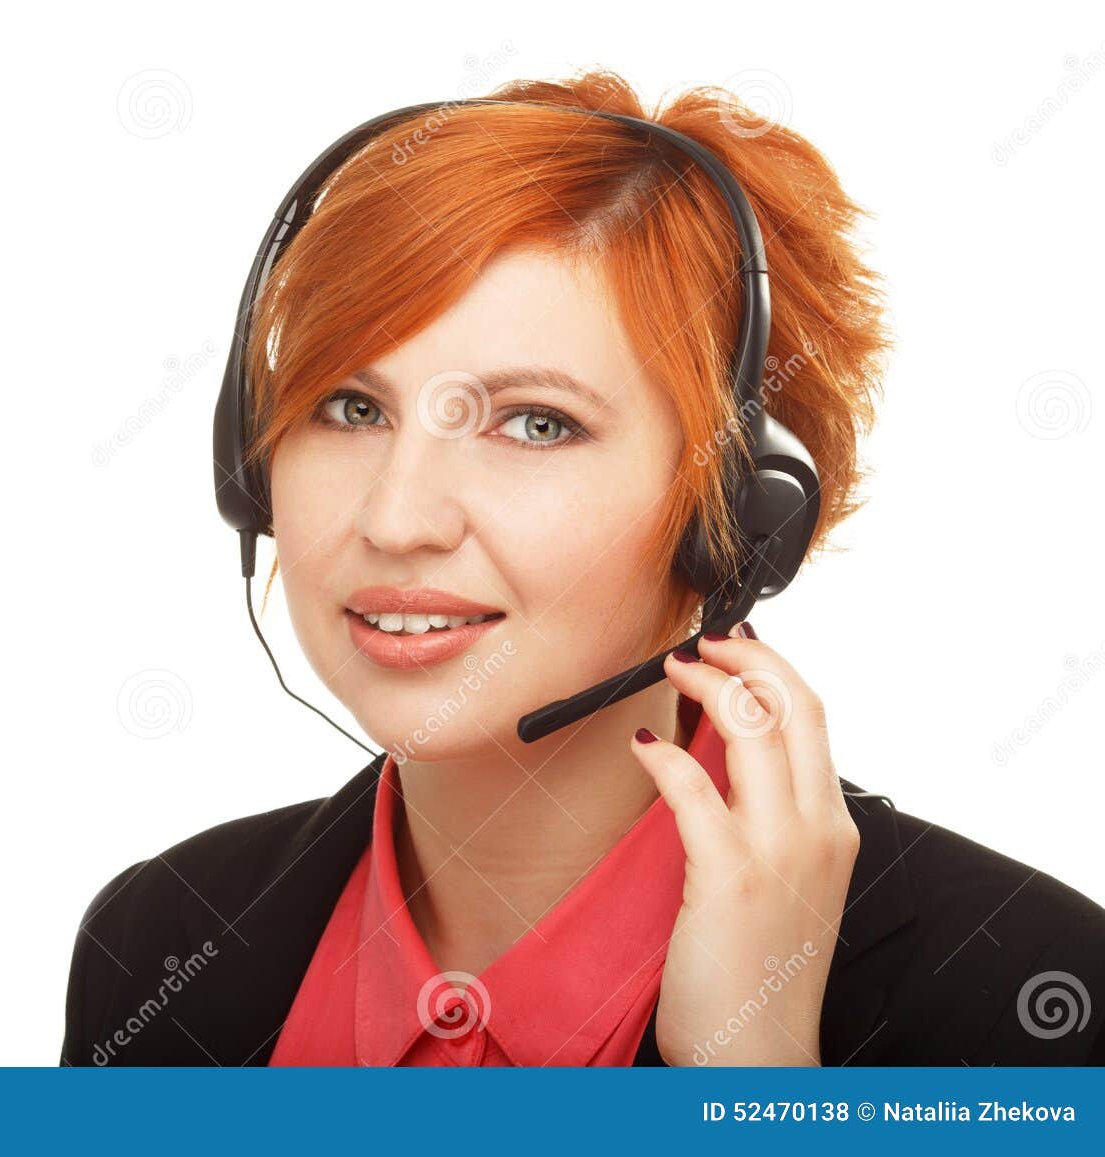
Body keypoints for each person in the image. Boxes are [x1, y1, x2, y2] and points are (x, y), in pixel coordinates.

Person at [62, 70, 1105, 1067]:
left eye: (535, 422)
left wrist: (754, 1080)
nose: (395, 518)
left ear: (737, 514)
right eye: (351, 407)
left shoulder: (1029, 991)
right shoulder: (159, 939)